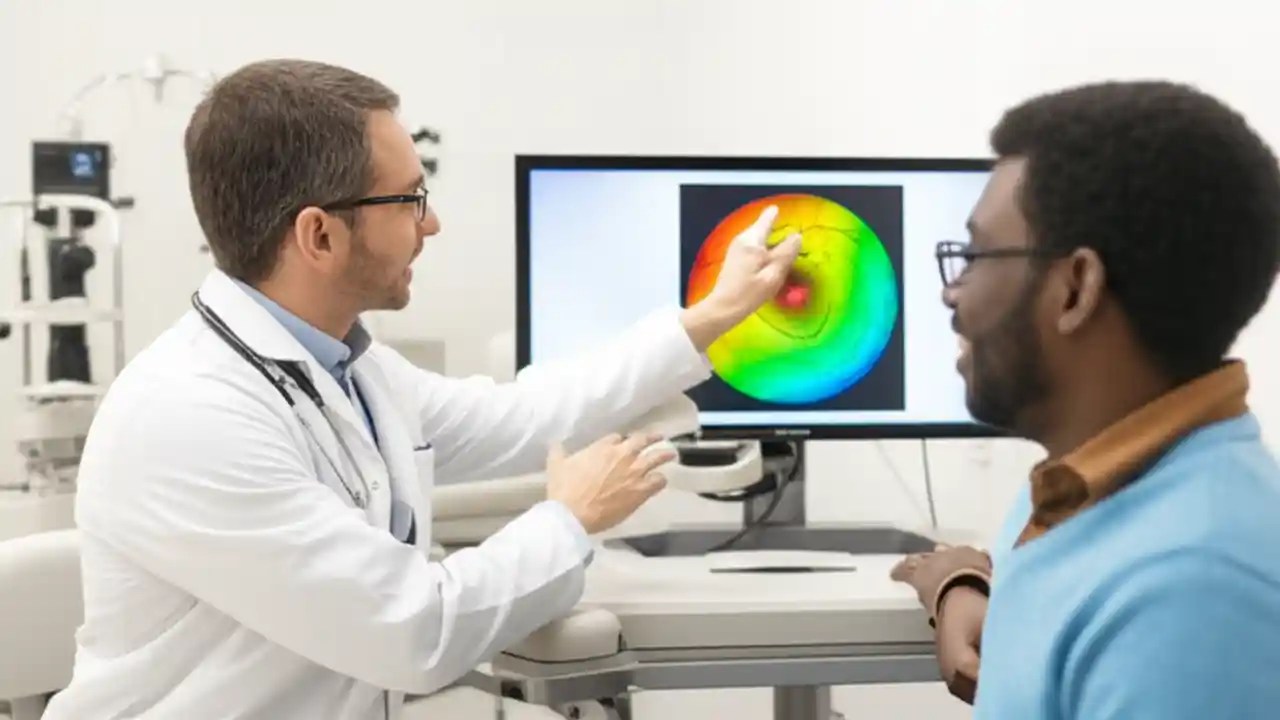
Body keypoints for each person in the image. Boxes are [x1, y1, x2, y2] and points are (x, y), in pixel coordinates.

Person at [42, 59, 800, 720]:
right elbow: (415, 632)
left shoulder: (350, 367)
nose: (431, 224)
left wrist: (713, 315)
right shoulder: (190, 416)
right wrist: (569, 517)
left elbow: (525, 417)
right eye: (409, 199)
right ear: (320, 236)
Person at [892, 80, 1280, 718]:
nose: (951, 293)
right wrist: (964, 583)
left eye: (976, 256)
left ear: (1075, 288)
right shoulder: (1080, 488)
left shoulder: (1192, 595)